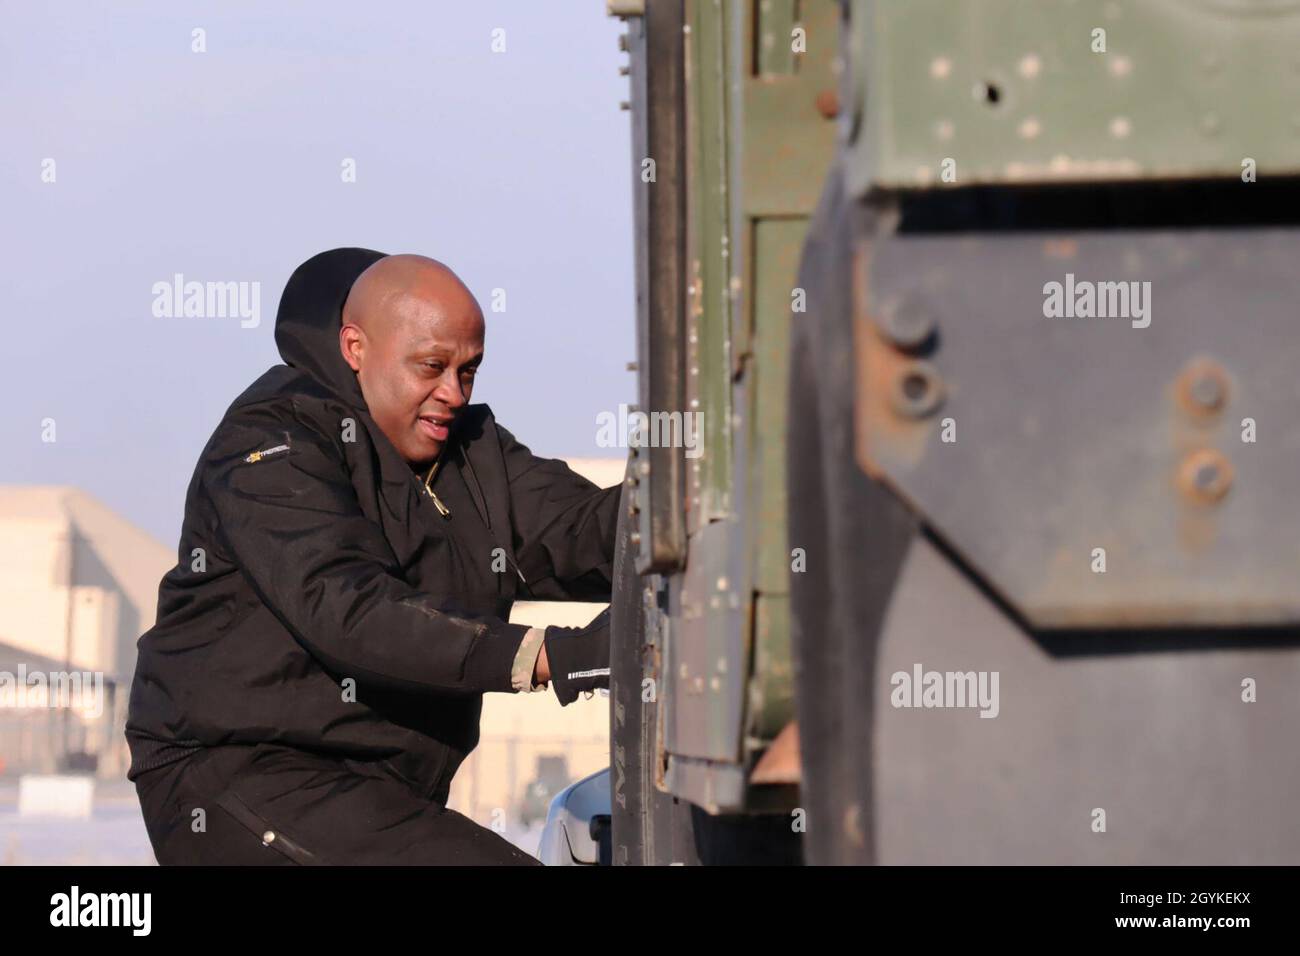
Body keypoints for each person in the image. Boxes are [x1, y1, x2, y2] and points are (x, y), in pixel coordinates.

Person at [126, 248, 620, 865]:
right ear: (356, 348)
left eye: (469, 370)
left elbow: (582, 530)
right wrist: (550, 655)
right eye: (432, 366)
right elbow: (346, 606)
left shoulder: (470, 452)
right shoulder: (273, 439)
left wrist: (702, 505)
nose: (453, 393)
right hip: (243, 772)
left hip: (384, 789)